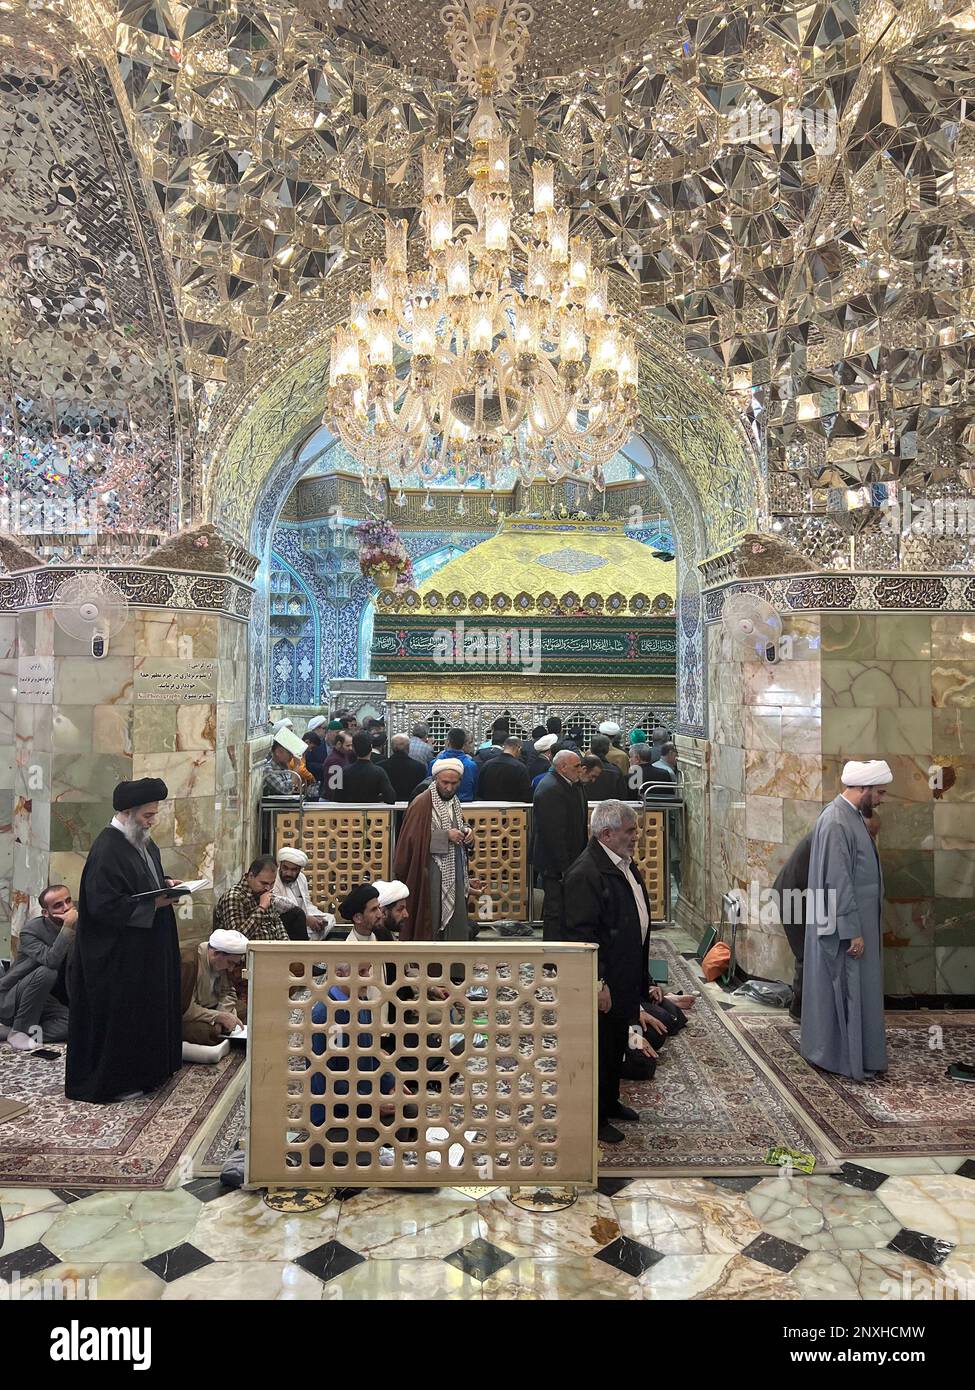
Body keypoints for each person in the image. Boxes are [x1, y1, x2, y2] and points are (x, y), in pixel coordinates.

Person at [66, 778, 182, 1104]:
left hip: (145, 951)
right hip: (119, 958)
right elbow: (102, 907)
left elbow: (148, 879)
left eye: (153, 815)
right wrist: (150, 903)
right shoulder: (106, 850)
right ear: (128, 813)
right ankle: (116, 1083)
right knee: (124, 1019)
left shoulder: (141, 840)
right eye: (147, 815)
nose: (151, 821)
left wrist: (167, 883)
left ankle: (150, 1073)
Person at [563, 799, 658, 1142]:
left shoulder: (623, 865)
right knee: (600, 1047)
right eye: (630, 830)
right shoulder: (586, 873)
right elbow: (581, 934)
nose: (637, 836)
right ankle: (596, 1116)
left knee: (620, 1039)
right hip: (606, 980)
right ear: (606, 833)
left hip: (626, 972)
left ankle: (611, 1100)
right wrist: (597, 981)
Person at [801, 759, 892, 1081]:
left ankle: (857, 1053)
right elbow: (838, 881)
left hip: (858, 922)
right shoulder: (837, 821)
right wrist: (852, 931)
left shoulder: (848, 817)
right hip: (847, 928)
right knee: (847, 989)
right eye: (879, 793)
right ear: (864, 789)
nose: (882, 799)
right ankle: (843, 1057)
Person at [776, 806, 879, 1024]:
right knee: (808, 952)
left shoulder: (842, 833)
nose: (872, 841)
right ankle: (800, 1011)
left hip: (803, 895)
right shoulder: (837, 835)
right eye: (872, 834)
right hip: (792, 895)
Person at [394, 759, 476, 941]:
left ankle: (454, 965)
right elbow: (411, 841)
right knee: (431, 918)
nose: (449, 788)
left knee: (455, 920)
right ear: (435, 779)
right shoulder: (421, 802)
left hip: (453, 870)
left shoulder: (454, 801)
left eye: (454, 783)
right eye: (445, 782)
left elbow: (460, 824)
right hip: (429, 871)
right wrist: (445, 835)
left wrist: (467, 831)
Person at [0, 885, 76, 1049]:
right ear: (46, 913)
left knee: (75, 1025)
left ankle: (16, 1031)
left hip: (47, 1000)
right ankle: (18, 1031)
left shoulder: (79, 927)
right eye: (58, 905)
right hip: (16, 995)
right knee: (47, 972)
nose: (66, 908)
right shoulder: (31, 931)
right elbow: (51, 960)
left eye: (68, 901)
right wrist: (67, 927)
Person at [531, 748, 588, 940]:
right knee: (554, 910)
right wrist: (565, 867)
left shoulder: (570, 784)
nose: (581, 769)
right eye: (577, 766)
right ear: (563, 767)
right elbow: (553, 833)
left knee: (566, 907)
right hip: (556, 864)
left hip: (570, 861)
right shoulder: (550, 789)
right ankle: (552, 955)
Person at [180, 928, 247, 1053]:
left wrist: (224, 1013)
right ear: (216, 953)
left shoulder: (220, 963)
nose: (231, 969)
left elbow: (229, 992)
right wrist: (218, 1017)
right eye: (230, 963)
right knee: (209, 1032)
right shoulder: (189, 964)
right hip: (189, 1016)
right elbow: (185, 1009)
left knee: (245, 1010)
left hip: (212, 1008)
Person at [215, 855, 293, 941]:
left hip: (272, 950)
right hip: (248, 952)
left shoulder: (264, 893)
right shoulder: (234, 897)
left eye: (272, 883)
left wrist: (286, 945)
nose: (268, 888)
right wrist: (261, 908)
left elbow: (278, 924)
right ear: (251, 876)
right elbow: (237, 938)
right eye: (264, 883)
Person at [272, 848, 335, 939]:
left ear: (299, 870)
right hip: (284, 921)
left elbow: (307, 904)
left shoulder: (301, 879)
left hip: (302, 918)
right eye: (285, 868)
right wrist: (306, 919)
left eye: (294, 870)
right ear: (280, 865)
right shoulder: (273, 880)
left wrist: (317, 918)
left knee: (329, 919)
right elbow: (278, 909)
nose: (289, 873)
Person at [337, 731, 396, 803]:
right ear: (371, 747)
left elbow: (337, 798)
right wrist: (377, 798)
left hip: (350, 813)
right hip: (372, 813)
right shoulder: (379, 772)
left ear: (354, 749)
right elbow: (391, 797)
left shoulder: (343, 772)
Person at [477, 735, 532, 801]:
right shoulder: (520, 767)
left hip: (490, 808)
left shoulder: (487, 764)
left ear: (503, 747)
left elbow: (480, 791)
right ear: (519, 749)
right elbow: (527, 795)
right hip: (513, 809)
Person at [431, 727, 478, 801]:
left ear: (448, 742)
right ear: (464, 744)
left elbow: (429, 787)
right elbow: (475, 790)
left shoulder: (435, 763)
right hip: (466, 807)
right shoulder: (471, 765)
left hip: (438, 806)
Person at [379, 734, 428, 800]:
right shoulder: (419, 767)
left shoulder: (381, 766)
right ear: (408, 748)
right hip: (411, 804)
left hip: (388, 806)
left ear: (392, 748)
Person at [585, 734, 629, 800]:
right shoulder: (616, 771)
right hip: (609, 808)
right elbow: (622, 796)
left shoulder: (582, 769)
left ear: (591, 749)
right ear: (607, 749)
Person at [319, 730, 352, 799]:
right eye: (348, 745)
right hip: (331, 803)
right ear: (339, 744)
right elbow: (333, 789)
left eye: (351, 745)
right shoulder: (334, 761)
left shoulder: (344, 755)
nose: (350, 748)